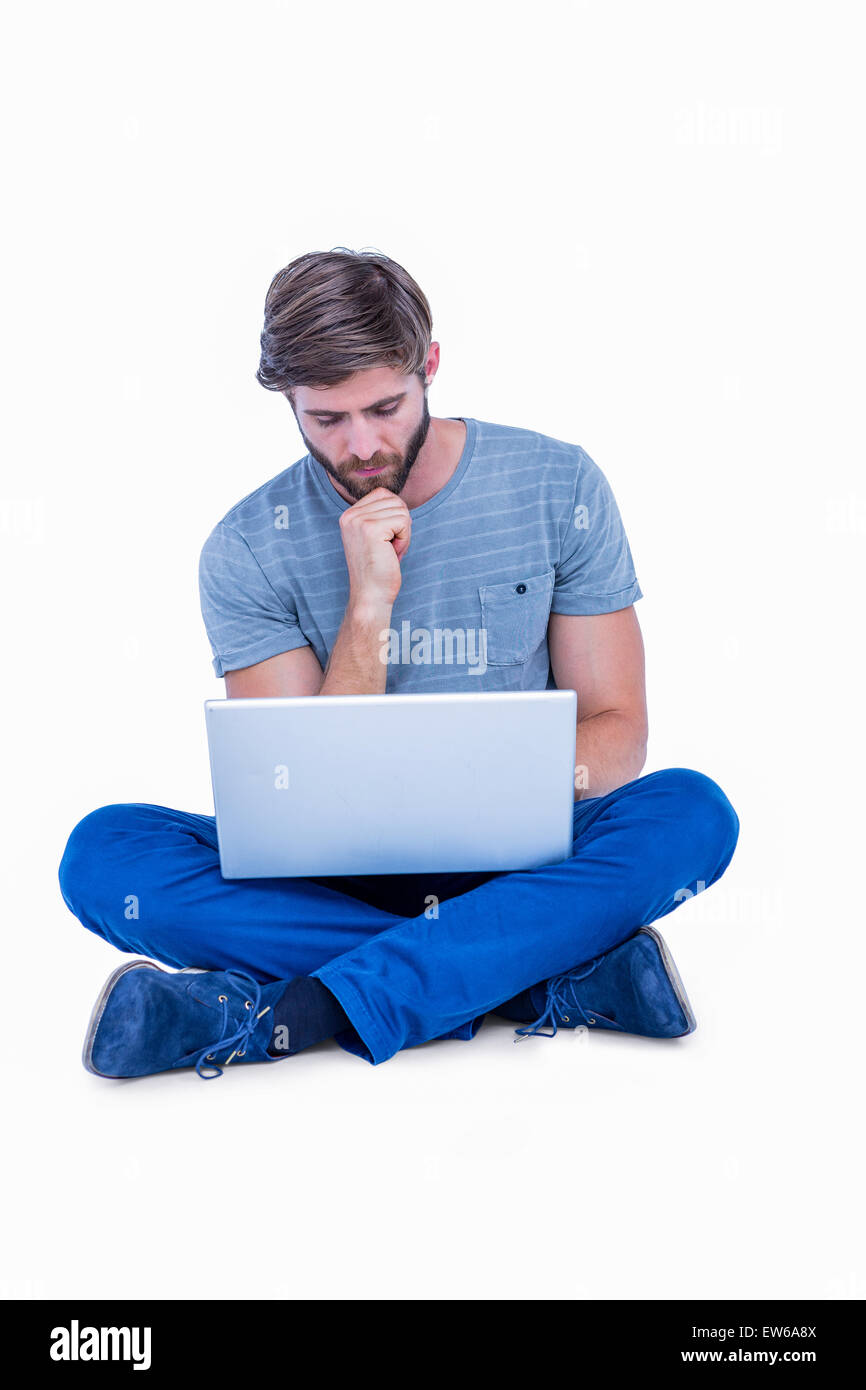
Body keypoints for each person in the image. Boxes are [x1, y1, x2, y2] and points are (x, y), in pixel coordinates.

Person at [57, 247, 740, 1081]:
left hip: (527, 857)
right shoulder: (244, 547)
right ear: (288, 404)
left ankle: (298, 1009)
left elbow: (619, 728)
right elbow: (300, 795)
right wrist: (369, 602)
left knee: (692, 812)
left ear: (430, 366)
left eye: (384, 406)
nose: (363, 446)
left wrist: (503, 789)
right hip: (337, 883)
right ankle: (530, 976)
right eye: (327, 420)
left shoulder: (557, 484)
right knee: (106, 855)